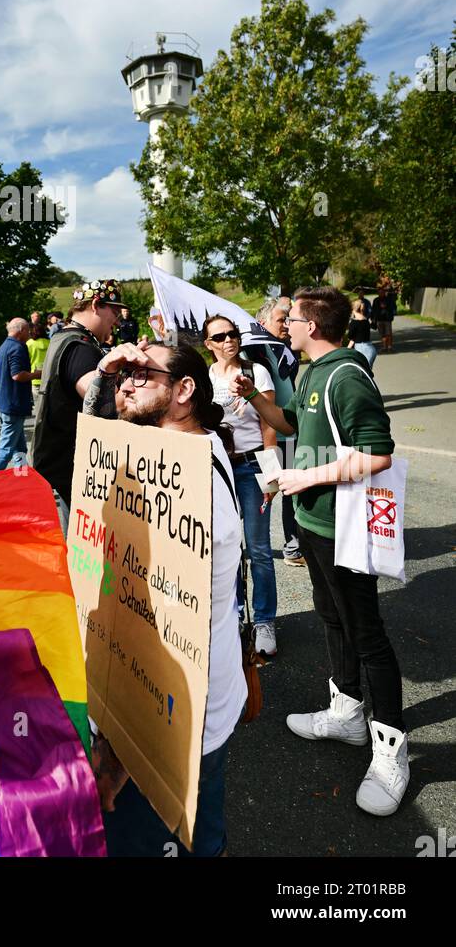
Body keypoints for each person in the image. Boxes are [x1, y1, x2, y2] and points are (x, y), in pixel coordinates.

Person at [234, 285, 407, 815]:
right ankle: (348, 712)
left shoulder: (348, 375)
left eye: (292, 318)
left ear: (313, 325)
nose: (283, 323)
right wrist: (256, 397)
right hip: (312, 521)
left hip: (344, 528)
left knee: (366, 633)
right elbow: (291, 424)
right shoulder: (311, 372)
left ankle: (391, 749)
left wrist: (306, 474)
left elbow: (378, 453)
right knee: (332, 619)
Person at [90, 338, 245, 858]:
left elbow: (162, 632)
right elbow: (97, 458)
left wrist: (116, 747)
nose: (127, 382)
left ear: (184, 389)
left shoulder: (187, 480)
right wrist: (103, 378)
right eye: (122, 376)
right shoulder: (178, 448)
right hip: (184, 707)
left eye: (142, 373)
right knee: (200, 831)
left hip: (166, 718)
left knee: (171, 839)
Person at [204, 314, 279, 658]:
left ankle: (264, 621)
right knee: (227, 546)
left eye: (232, 334)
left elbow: (269, 422)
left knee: (259, 548)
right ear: (209, 344)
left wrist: (271, 472)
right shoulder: (203, 377)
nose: (228, 340)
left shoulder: (256, 371)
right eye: (219, 336)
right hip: (218, 468)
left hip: (251, 466)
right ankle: (232, 616)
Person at [30, 278, 126, 531]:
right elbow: (106, 400)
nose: (117, 319)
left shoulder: (63, 337)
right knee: (83, 543)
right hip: (74, 466)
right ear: (96, 304)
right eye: (114, 311)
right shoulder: (81, 347)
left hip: (60, 461)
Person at [253, 296, 304, 567]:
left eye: (287, 319)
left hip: (289, 431)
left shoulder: (283, 348)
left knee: (292, 491)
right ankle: (253, 549)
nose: (286, 324)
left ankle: (293, 547)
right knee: (265, 493)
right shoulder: (257, 351)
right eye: (280, 319)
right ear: (262, 323)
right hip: (269, 435)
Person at [0, 318, 39, 471]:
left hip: (5, 404)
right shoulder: (18, 348)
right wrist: (36, 374)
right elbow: (17, 375)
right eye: (28, 330)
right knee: (5, 450)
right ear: (21, 331)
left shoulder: (2, 348)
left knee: (19, 448)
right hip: (14, 405)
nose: (30, 333)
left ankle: (22, 477)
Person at [348, 298, 377, 371]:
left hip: (361, 349)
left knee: (362, 374)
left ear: (353, 309)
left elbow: (351, 337)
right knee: (367, 374)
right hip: (370, 348)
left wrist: (346, 350)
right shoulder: (366, 321)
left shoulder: (354, 323)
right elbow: (375, 327)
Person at [26, 318, 50, 401]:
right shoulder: (50, 343)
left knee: (37, 406)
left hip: (34, 377)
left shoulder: (29, 344)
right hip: (48, 377)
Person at [370, 287, 395, 354]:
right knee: (382, 334)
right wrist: (372, 318)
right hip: (379, 319)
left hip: (387, 319)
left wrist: (385, 307)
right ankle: (384, 347)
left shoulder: (389, 300)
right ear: (378, 293)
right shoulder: (376, 300)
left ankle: (389, 347)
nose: (381, 293)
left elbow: (393, 308)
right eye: (379, 292)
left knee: (388, 333)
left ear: (384, 292)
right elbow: (373, 310)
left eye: (382, 292)